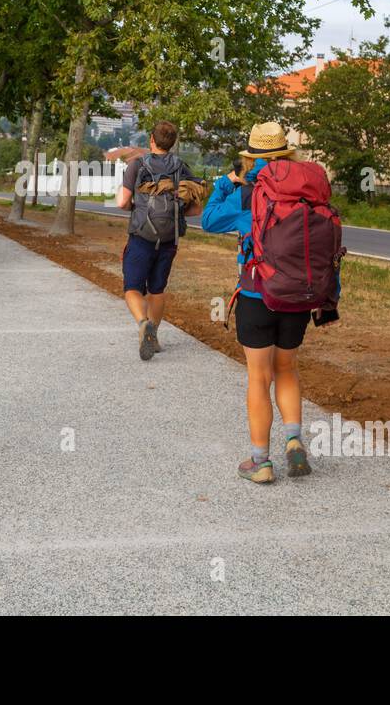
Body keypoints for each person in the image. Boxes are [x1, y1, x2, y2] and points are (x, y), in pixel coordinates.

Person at [201, 121, 339, 485]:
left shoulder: (249, 192)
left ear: (252, 157)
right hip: (299, 298)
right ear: (287, 154)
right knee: (287, 370)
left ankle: (261, 462)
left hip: (256, 295)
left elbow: (208, 220)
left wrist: (226, 182)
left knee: (259, 377)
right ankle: (294, 440)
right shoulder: (310, 191)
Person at [115, 120, 205, 361]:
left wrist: (138, 208)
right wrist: (173, 212)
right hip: (169, 239)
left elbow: (122, 203)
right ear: (172, 142)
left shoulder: (137, 165)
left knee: (132, 288)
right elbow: (196, 210)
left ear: (151, 140)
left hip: (141, 236)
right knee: (157, 289)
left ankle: (144, 324)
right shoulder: (181, 167)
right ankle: (153, 338)